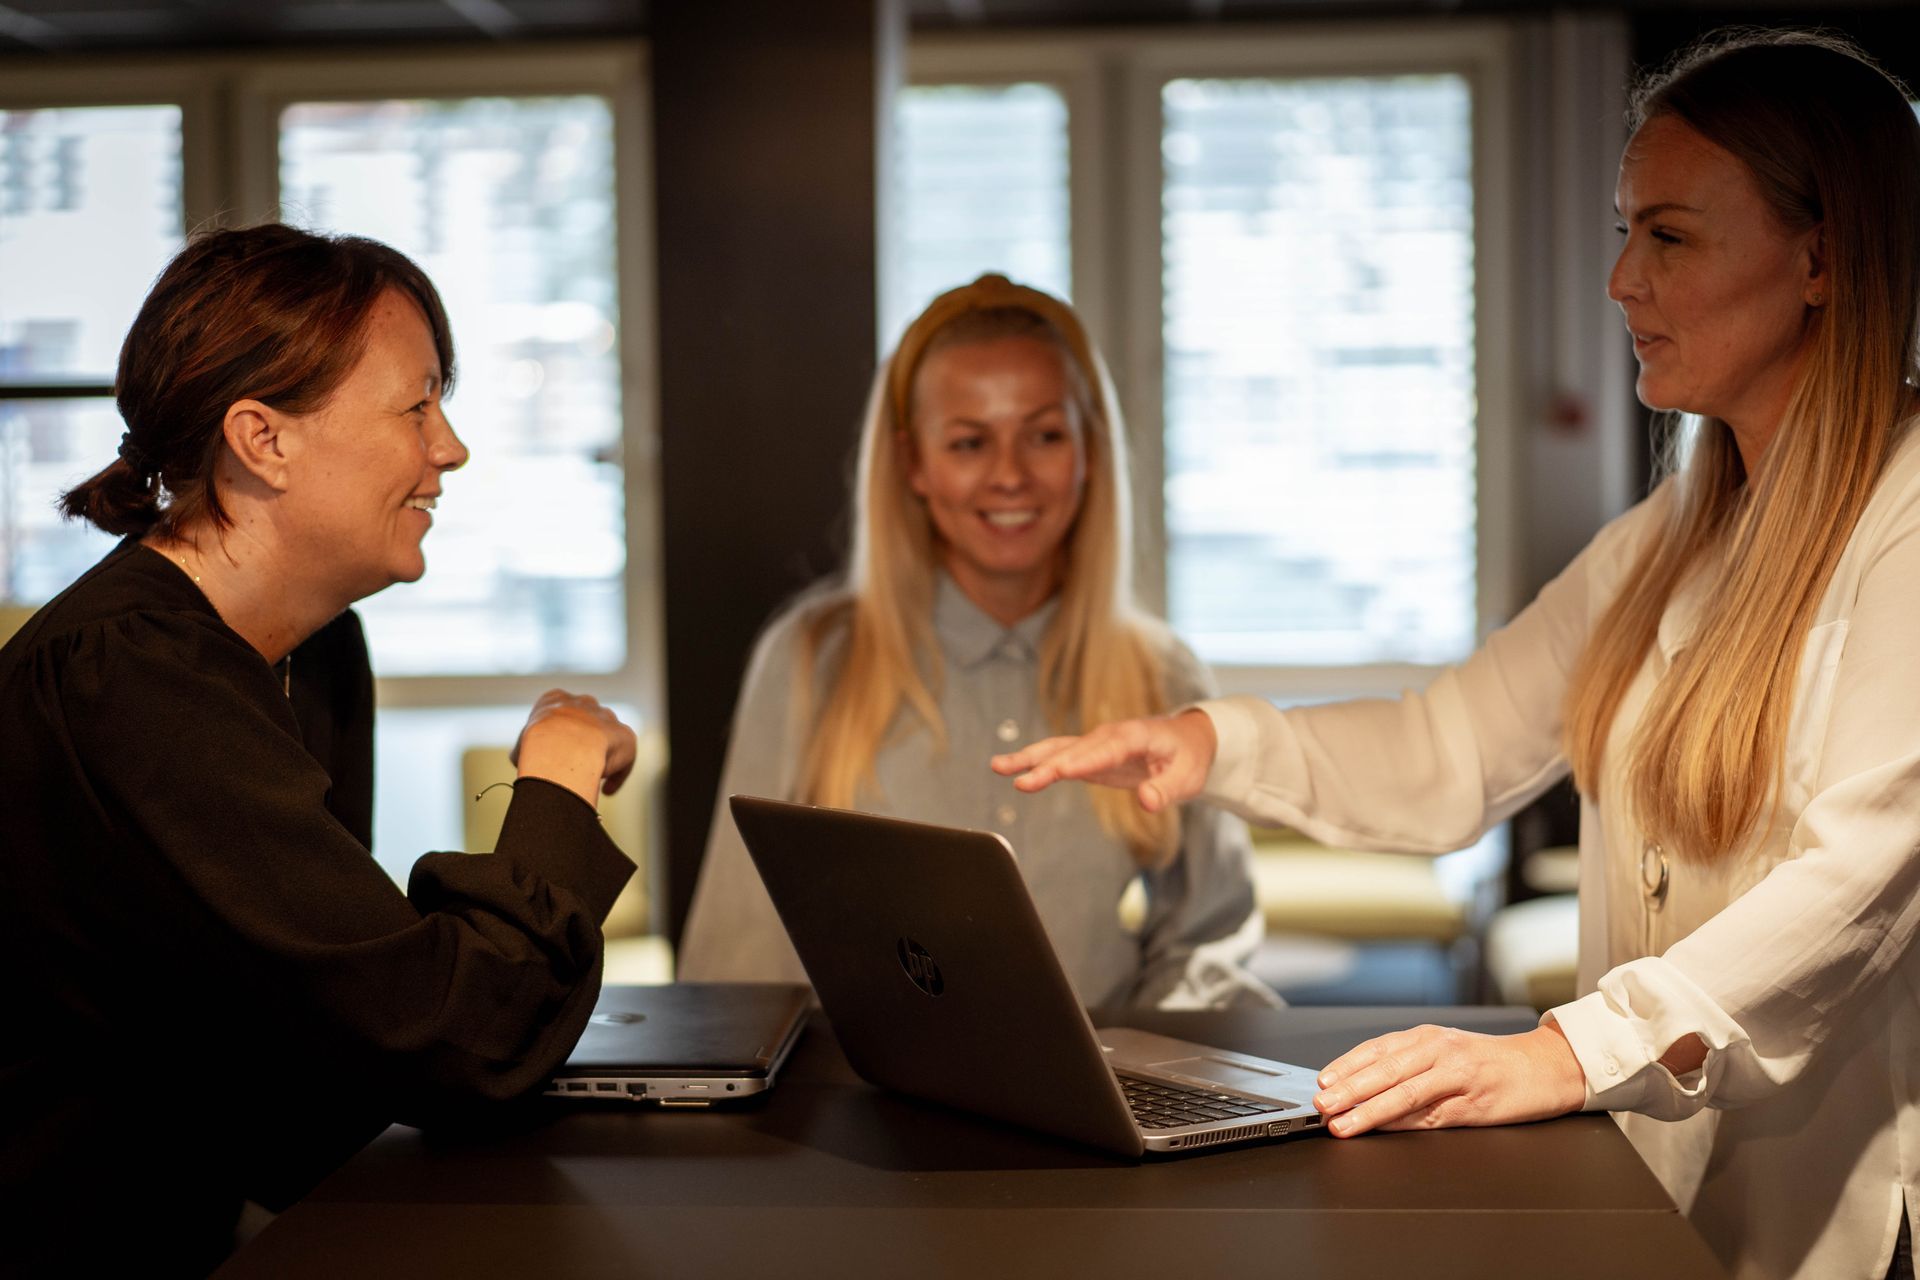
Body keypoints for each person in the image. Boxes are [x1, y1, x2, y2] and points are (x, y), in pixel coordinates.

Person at [995, 31, 1920, 1280]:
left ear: (1820, 257)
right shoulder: (1672, 536)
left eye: (1669, 236)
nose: (1620, 280)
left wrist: (1566, 1050)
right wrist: (1209, 741)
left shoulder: (1908, 517)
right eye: (1624, 231)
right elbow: (1452, 743)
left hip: (1849, 1228)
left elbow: (1856, 882)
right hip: (1670, 1196)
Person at [0, 224, 638, 1275]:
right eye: (416, 405)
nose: (450, 448)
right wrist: (556, 788)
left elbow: (333, 1041)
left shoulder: (314, 649)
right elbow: (449, 1035)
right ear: (263, 439)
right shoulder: (133, 676)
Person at [679, 274, 1274, 1010]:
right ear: (914, 464)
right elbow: (740, 949)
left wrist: (1140, 1059)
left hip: (1108, 1079)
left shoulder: (1164, 673)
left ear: (1089, 450)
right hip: (862, 1081)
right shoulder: (811, 658)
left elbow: (1208, 940)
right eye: (969, 442)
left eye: (1045, 436)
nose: (1011, 476)